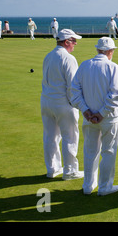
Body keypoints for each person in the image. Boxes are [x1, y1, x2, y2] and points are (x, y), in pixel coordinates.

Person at [71, 37, 118, 196]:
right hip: (108, 119)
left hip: (89, 118)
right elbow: (114, 95)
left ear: (98, 50)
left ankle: (88, 185)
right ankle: (104, 187)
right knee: (108, 152)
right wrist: (100, 114)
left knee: (90, 151)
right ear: (109, 51)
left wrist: (86, 111)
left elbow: (74, 92)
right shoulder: (113, 67)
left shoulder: (84, 65)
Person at [41, 29, 84, 180]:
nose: (75, 43)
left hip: (46, 102)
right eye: (73, 41)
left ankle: (52, 169)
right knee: (70, 137)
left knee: (50, 137)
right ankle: (70, 171)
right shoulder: (68, 58)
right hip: (63, 104)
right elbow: (72, 85)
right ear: (66, 42)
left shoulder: (49, 55)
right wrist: (78, 105)